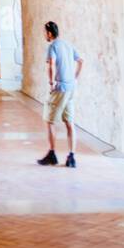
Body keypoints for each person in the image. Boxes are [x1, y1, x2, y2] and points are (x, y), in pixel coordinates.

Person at [37, 20, 83, 168]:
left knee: (49, 120)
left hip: (60, 88)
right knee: (69, 123)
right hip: (71, 89)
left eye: (44, 32)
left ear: (49, 33)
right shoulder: (67, 45)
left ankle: (52, 154)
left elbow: (51, 64)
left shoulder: (52, 47)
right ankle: (71, 157)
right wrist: (75, 78)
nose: (44, 34)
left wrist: (51, 82)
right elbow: (81, 61)